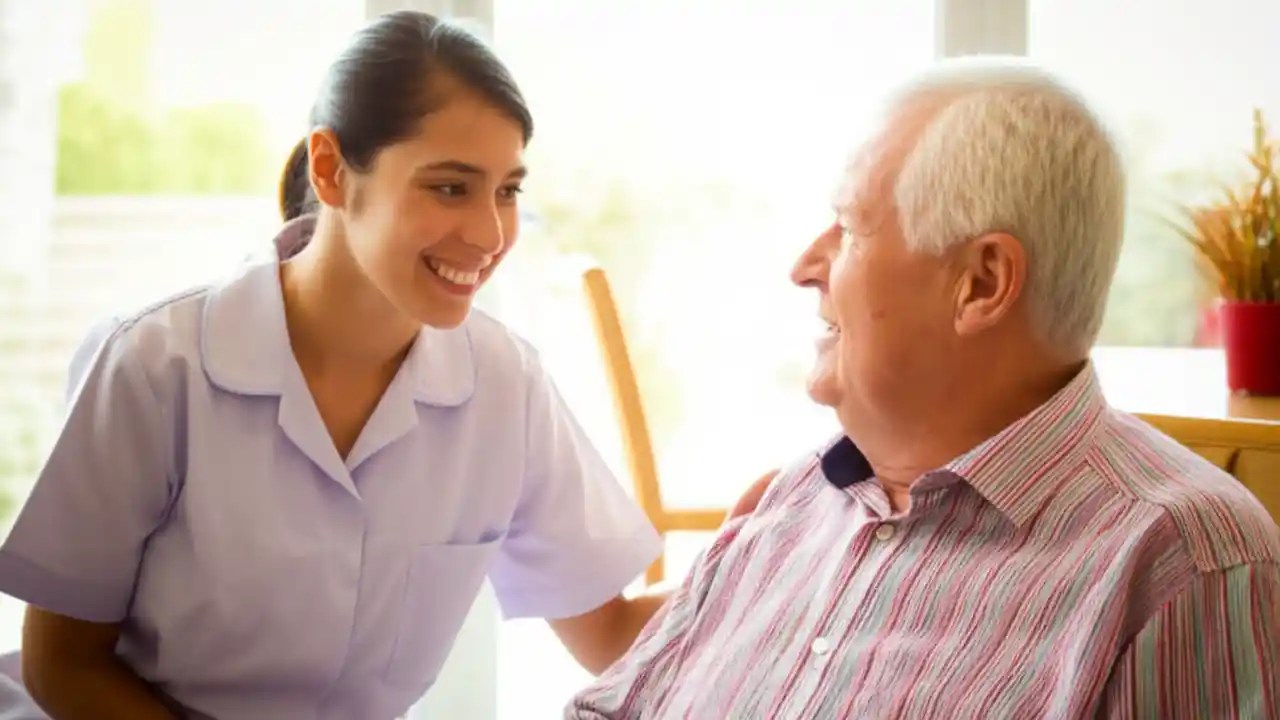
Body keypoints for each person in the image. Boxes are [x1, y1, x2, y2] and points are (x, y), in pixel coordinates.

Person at [0, 12, 760, 720]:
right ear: (331, 171)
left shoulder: (504, 385)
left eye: (507, 191)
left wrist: (773, 559)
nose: (491, 232)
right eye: (451, 187)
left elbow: (611, 630)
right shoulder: (156, 364)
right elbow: (61, 664)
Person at [568, 58, 1280, 719]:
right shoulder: (796, 498)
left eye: (847, 230)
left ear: (981, 283)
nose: (804, 266)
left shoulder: (1186, 566)